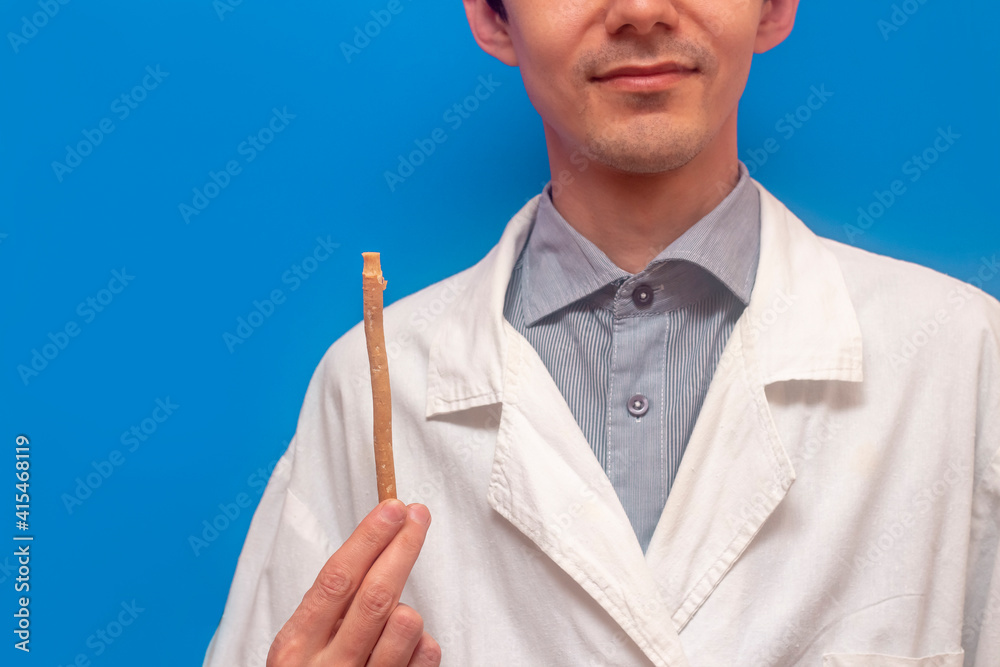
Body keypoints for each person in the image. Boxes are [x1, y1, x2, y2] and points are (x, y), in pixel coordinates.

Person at [203, 0, 1000, 665]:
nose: (643, 11)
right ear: (492, 15)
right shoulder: (372, 385)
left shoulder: (960, 356)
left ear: (776, 4)